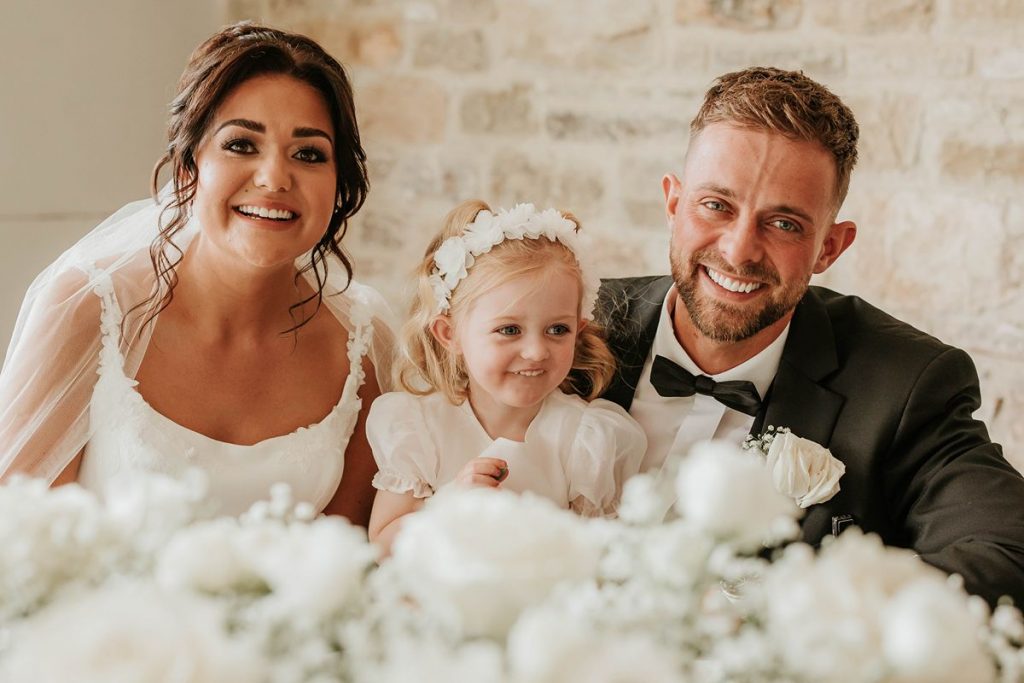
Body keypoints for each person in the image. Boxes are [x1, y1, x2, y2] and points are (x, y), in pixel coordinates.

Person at [596, 66, 1024, 606]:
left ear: (830, 248)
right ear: (674, 203)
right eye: (716, 205)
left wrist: (812, 621)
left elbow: (1007, 550)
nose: (738, 250)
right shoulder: (570, 327)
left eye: (784, 224)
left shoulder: (904, 384)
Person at [0, 23, 395, 525]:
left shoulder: (361, 346)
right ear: (189, 169)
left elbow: (355, 559)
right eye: (241, 145)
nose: (275, 178)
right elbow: (17, 544)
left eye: (309, 153)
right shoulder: (91, 307)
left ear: (338, 185)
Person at [366, 200, 646, 552]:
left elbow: (601, 557)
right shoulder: (418, 427)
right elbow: (382, 545)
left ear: (580, 330)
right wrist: (449, 508)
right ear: (449, 334)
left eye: (557, 329)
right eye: (510, 329)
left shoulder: (585, 439)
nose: (536, 351)